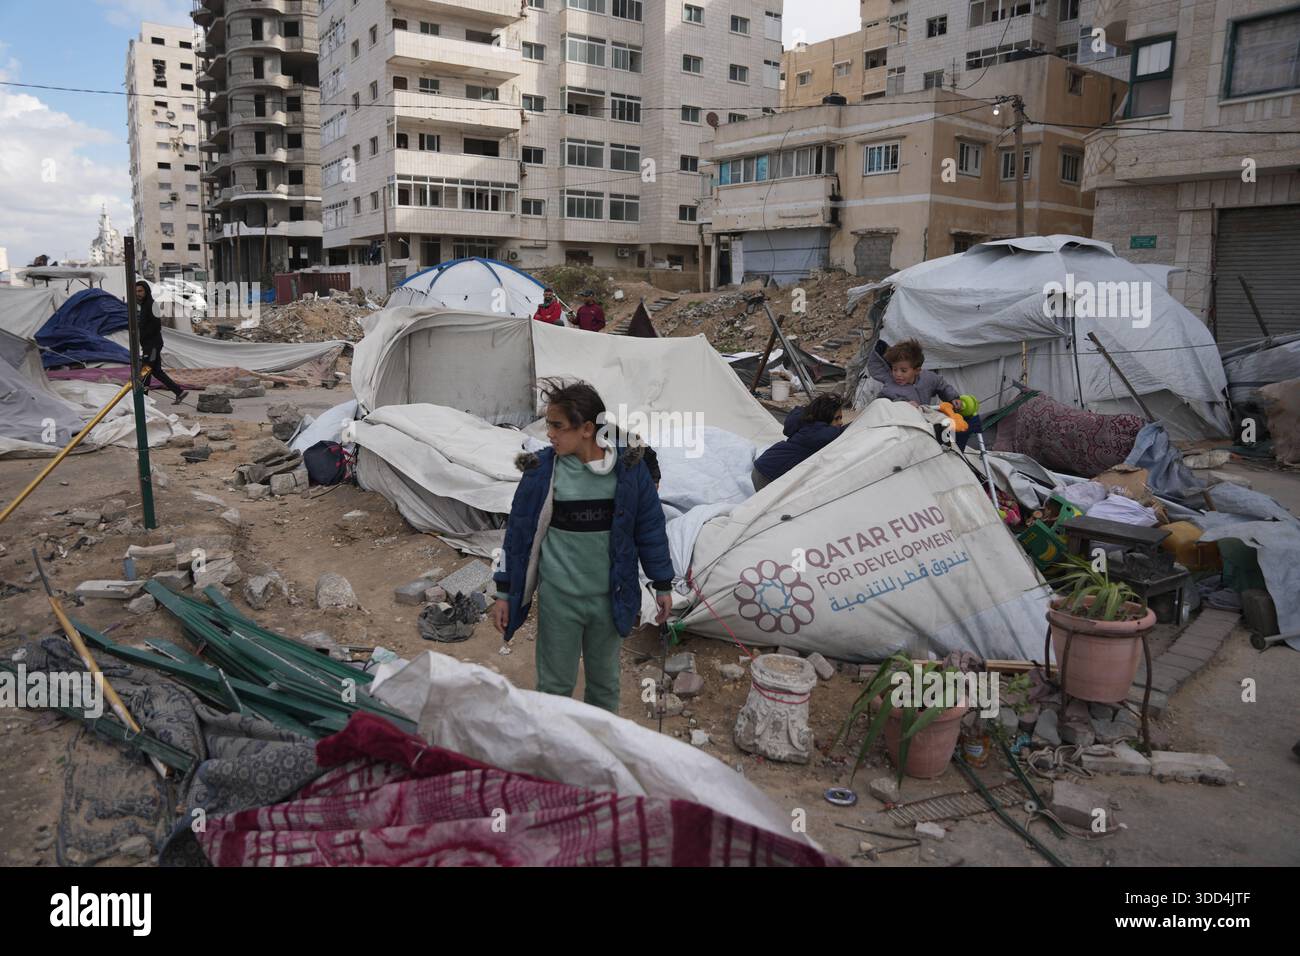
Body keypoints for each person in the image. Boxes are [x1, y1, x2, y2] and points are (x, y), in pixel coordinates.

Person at [491, 379, 674, 714]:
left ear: (587, 428)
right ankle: (554, 750)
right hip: (559, 601)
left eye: (558, 426)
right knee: (554, 687)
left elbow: (650, 528)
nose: (550, 434)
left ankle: (599, 751)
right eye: (548, 425)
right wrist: (504, 592)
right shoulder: (542, 471)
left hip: (610, 600)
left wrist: (662, 583)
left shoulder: (628, 472)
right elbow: (516, 537)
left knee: (604, 687)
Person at [751, 393, 847, 490]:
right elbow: (836, 433)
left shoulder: (807, 423)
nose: (841, 422)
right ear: (825, 417)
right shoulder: (816, 433)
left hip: (765, 464)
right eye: (837, 418)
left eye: (841, 418)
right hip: (767, 473)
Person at [134, 280, 188, 405]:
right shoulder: (144, 306)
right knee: (156, 371)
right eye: (136, 291)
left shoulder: (151, 305)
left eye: (140, 291)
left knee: (145, 370)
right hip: (150, 345)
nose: (138, 294)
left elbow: (156, 326)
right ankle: (179, 392)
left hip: (152, 346)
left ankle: (144, 400)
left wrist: (145, 337)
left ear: (146, 291)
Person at [872, 338, 959, 406]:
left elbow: (941, 385)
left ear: (917, 370)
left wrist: (952, 398)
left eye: (903, 371)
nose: (898, 374)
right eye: (894, 369)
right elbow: (883, 404)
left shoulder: (927, 378)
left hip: (925, 420)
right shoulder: (890, 388)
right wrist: (903, 404)